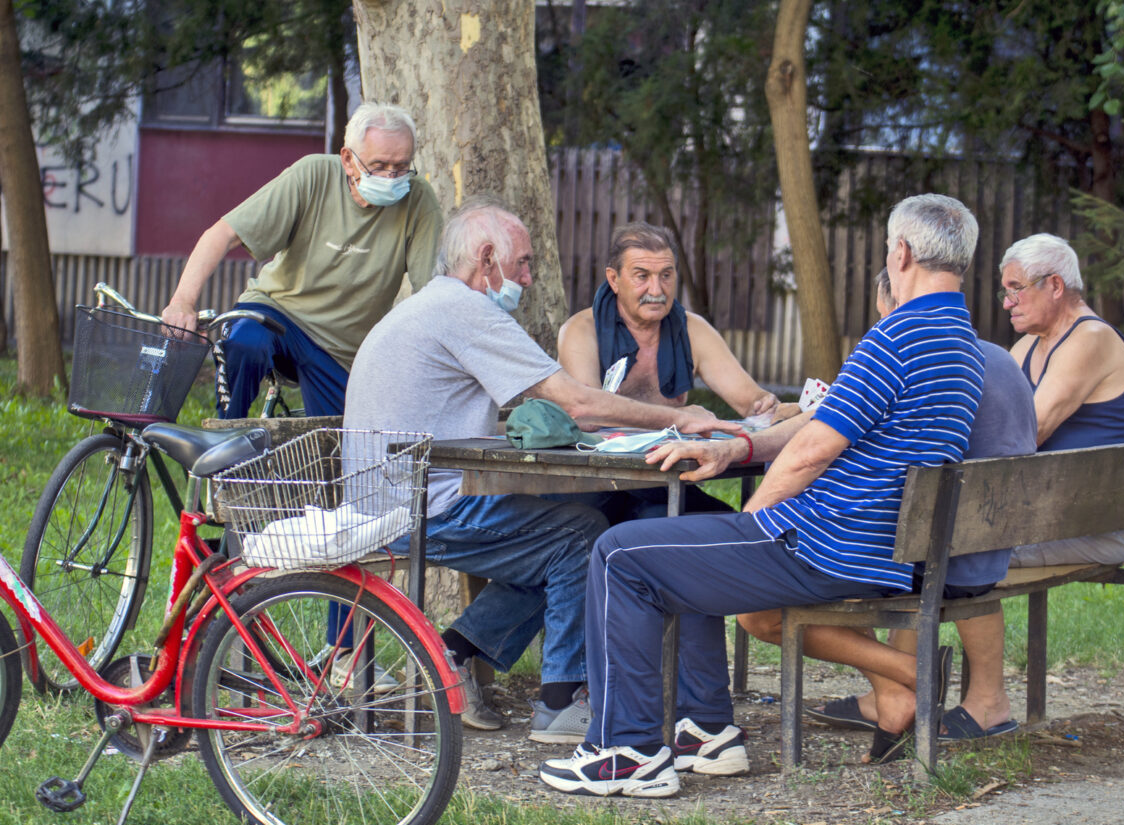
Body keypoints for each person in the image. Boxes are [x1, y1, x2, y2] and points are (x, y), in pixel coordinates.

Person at [538, 194, 986, 798]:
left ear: (900, 252)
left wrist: (751, 522)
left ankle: (627, 751)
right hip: (885, 547)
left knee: (619, 556)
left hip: (826, 544)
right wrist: (736, 451)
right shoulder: (964, 343)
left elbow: (809, 452)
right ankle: (706, 732)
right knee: (684, 548)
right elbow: (817, 422)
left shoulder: (896, 336)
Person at [344, 195, 737, 735]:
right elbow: (578, 404)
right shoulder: (468, 311)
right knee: (580, 536)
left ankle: (454, 655)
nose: (529, 278)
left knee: (567, 522)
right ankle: (560, 702)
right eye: (523, 262)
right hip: (418, 509)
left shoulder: (432, 303)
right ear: (487, 259)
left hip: (390, 494)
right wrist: (680, 419)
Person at [733, 268, 1037, 743]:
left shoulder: (914, 360)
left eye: (884, 316)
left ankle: (900, 680)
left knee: (786, 588)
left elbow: (833, 448)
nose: (882, 326)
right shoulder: (998, 358)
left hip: (929, 558)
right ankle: (895, 692)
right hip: (987, 547)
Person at [162, 102, 442, 419]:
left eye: (401, 167)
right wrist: (182, 301)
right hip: (279, 313)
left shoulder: (418, 200)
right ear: (348, 160)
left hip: (342, 350)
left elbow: (431, 292)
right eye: (378, 166)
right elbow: (223, 234)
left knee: (337, 446)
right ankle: (226, 439)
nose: (391, 177)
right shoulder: (313, 175)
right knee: (245, 343)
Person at [556, 222, 798, 522]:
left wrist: (777, 410)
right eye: (642, 276)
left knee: (716, 522)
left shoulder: (693, 330)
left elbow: (752, 402)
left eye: (666, 275)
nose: (656, 290)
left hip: (661, 481)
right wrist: (678, 418)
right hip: (592, 482)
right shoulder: (582, 330)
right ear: (614, 279)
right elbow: (589, 414)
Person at [999, 233, 1124, 566]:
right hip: (1051, 516)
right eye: (1005, 291)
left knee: (959, 560)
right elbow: (995, 420)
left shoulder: (1091, 339)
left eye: (1016, 288)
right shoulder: (1027, 346)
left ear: (1055, 285)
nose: (1007, 303)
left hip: (1096, 528)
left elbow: (1026, 433)